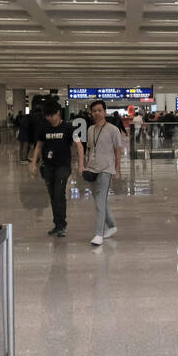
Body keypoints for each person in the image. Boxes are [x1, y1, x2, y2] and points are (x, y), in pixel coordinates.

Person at [28, 101, 82, 237]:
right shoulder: (44, 128)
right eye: (47, 116)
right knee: (53, 196)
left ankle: (62, 225)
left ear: (58, 113)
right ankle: (57, 224)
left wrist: (81, 164)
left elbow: (79, 146)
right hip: (48, 167)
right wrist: (33, 163)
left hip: (63, 166)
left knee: (59, 194)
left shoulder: (69, 128)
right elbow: (39, 146)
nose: (50, 118)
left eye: (52, 115)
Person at [82, 98, 125, 246]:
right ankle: (112, 225)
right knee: (100, 200)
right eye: (94, 111)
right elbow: (90, 149)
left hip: (106, 169)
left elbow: (117, 150)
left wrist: (117, 169)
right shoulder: (90, 129)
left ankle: (99, 234)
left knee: (100, 202)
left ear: (105, 112)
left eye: (99, 110)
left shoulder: (113, 130)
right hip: (92, 168)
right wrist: (85, 165)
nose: (97, 113)